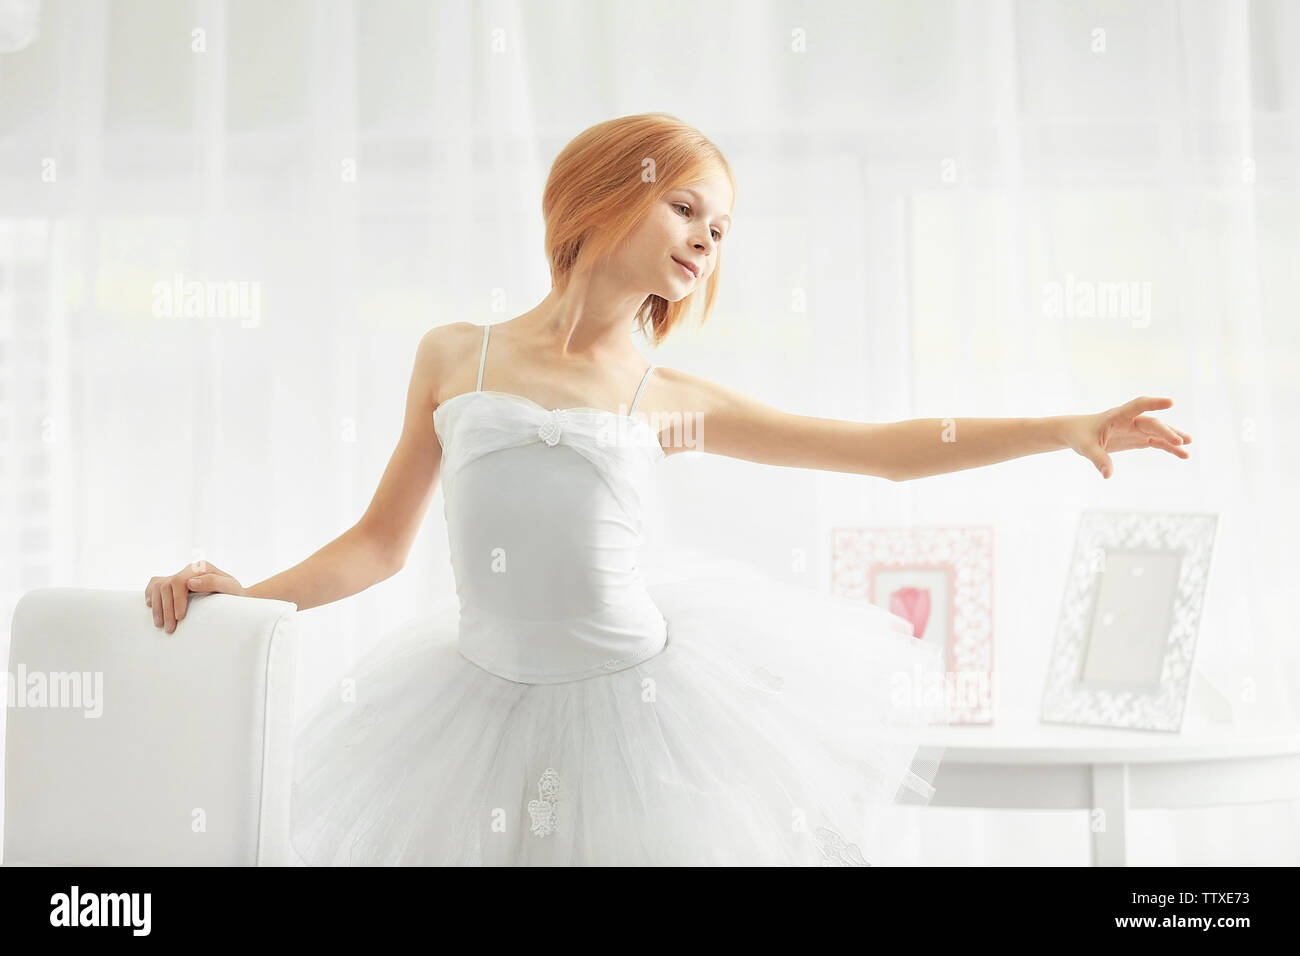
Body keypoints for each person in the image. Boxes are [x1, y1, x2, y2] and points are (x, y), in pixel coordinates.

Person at [144, 113, 1192, 865]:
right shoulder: (453, 356)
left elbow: (874, 448)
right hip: (474, 704)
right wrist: (252, 596)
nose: (704, 236)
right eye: (685, 205)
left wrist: (1061, 427)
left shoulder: (665, 397)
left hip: (638, 714)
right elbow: (379, 543)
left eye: (721, 228)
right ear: (600, 196)